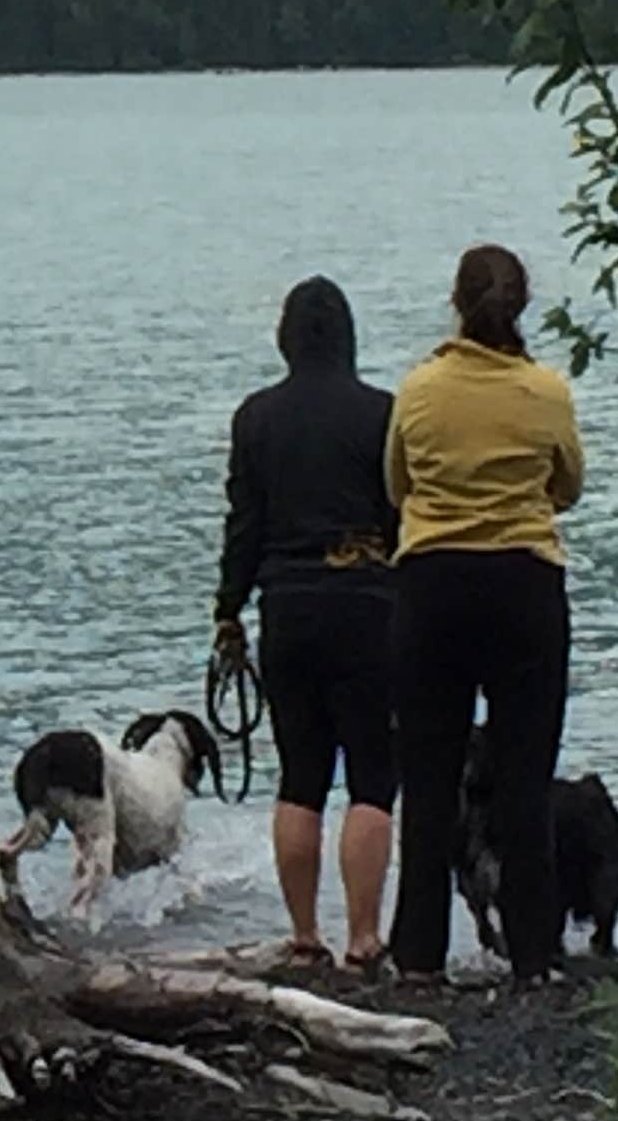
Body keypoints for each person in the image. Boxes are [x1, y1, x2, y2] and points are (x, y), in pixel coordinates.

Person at [385, 242, 585, 985]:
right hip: (524, 587)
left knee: (429, 780)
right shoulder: (547, 391)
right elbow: (568, 484)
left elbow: (397, 485)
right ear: (523, 306)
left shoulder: (419, 389)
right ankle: (534, 958)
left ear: (456, 303)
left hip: (431, 588)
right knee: (525, 779)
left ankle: (418, 958)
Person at [215, 275, 399, 969]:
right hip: (369, 605)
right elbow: (399, 516)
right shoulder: (382, 413)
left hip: (286, 608)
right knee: (373, 777)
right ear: (349, 339)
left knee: (301, 775)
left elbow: (244, 525)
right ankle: (362, 937)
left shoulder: (255, 417)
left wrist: (227, 608)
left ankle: (303, 934)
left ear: (285, 339)